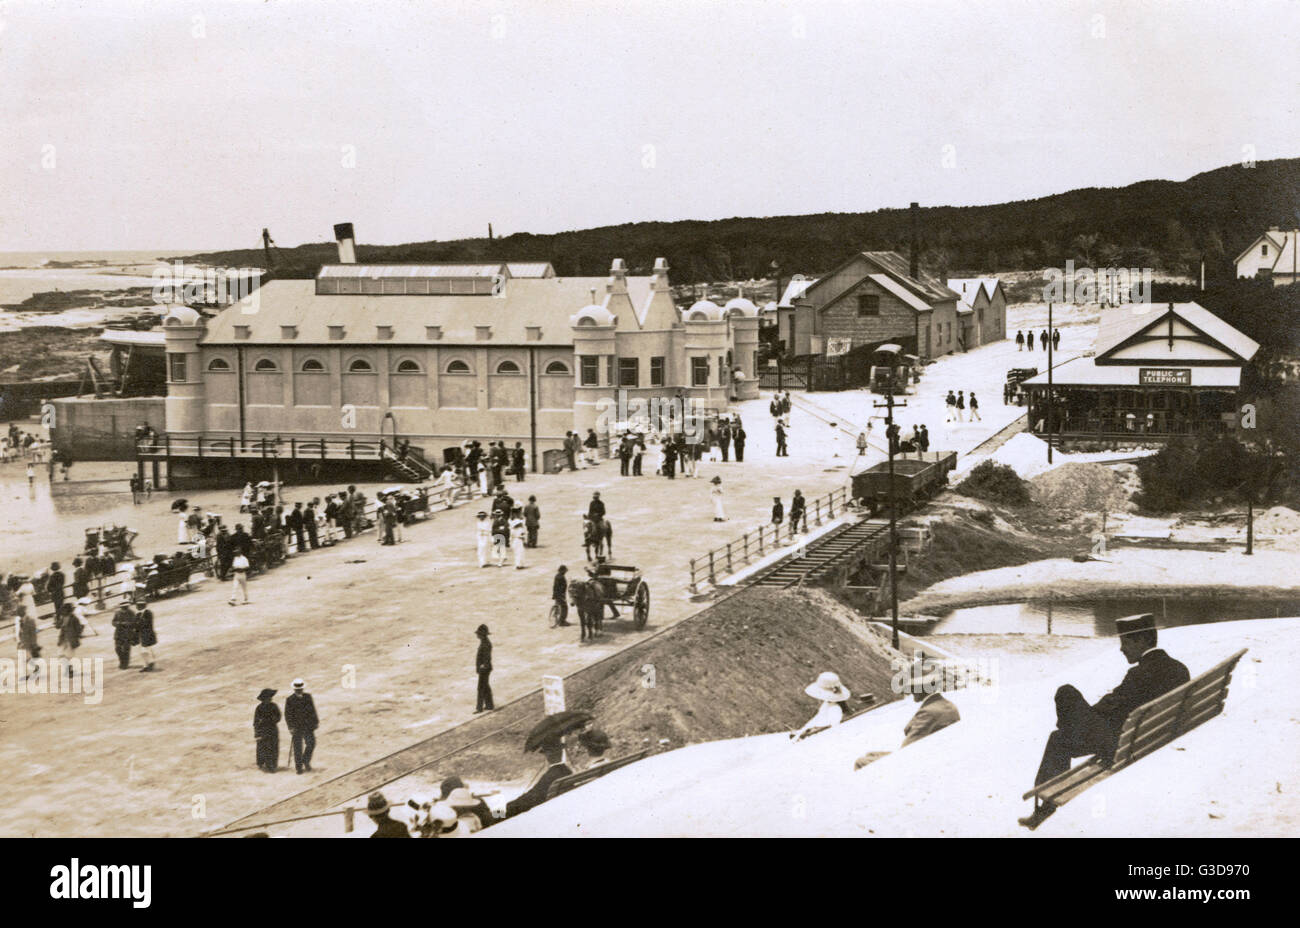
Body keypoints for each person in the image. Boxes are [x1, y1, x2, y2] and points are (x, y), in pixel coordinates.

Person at [1019, 614, 1190, 830]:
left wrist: (1089, 712)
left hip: (1119, 743)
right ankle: (1046, 805)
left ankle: (1045, 807)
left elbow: (1113, 706)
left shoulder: (1139, 674)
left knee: (1066, 693)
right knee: (1059, 738)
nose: (1121, 649)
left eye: (1125, 642)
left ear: (1143, 641)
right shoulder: (1180, 669)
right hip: (1144, 736)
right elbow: (1121, 703)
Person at [505, 738, 573, 818]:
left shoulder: (551, 775)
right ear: (561, 752)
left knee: (494, 816)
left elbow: (532, 798)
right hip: (553, 809)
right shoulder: (566, 771)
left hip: (539, 813)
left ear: (547, 755)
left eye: (546, 752)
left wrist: (510, 805)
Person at [792, 671, 851, 741]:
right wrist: (802, 730)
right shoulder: (827, 705)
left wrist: (812, 731)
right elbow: (817, 718)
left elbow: (834, 728)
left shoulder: (834, 709)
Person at [285, 678, 319, 774]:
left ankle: (306, 760)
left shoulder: (308, 697)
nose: (299, 690)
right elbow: (288, 715)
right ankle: (298, 767)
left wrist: (315, 722)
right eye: (297, 689)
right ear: (294, 689)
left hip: (308, 726)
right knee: (297, 747)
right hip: (297, 727)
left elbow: (312, 710)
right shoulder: (290, 700)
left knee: (311, 743)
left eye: (300, 689)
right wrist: (290, 727)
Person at [57, 603, 82, 675]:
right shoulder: (63, 618)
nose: (62, 612)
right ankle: (69, 668)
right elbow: (58, 626)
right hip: (63, 639)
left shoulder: (74, 619)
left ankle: (70, 670)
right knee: (60, 654)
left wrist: (76, 636)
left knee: (68, 655)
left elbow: (79, 628)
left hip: (71, 639)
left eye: (64, 610)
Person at [474, 624, 494, 712]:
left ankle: (479, 708)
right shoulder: (485, 642)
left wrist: (483, 666)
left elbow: (487, 657)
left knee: (481, 688)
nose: (477, 635)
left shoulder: (485, 644)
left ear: (482, 634)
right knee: (485, 686)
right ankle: (489, 705)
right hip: (485, 668)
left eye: (478, 633)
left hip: (484, 669)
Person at [111, 602, 136, 670]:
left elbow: (134, 622)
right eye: (122, 607)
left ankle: (125, 664)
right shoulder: (117, 613)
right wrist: (118, 623)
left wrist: (127, 624)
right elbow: (113, 622)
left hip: (128, 634)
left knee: (126, 649)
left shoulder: (131, 613)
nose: (124, 608)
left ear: (128, 606)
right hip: (118, 633)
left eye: (125, 606)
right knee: (117, 648)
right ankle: (122, 661)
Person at [134, 599, 157, 672]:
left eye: (138, 606)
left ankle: (150, 663)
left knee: (147, 649)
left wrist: (138, 624)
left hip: (147, 633)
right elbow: (135, 624)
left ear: (142, 606)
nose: (137, 607)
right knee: (141, 651)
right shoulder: (137, 614)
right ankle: (145, 665)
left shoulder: (148, 613)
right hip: (141, 634)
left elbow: (147, 624)